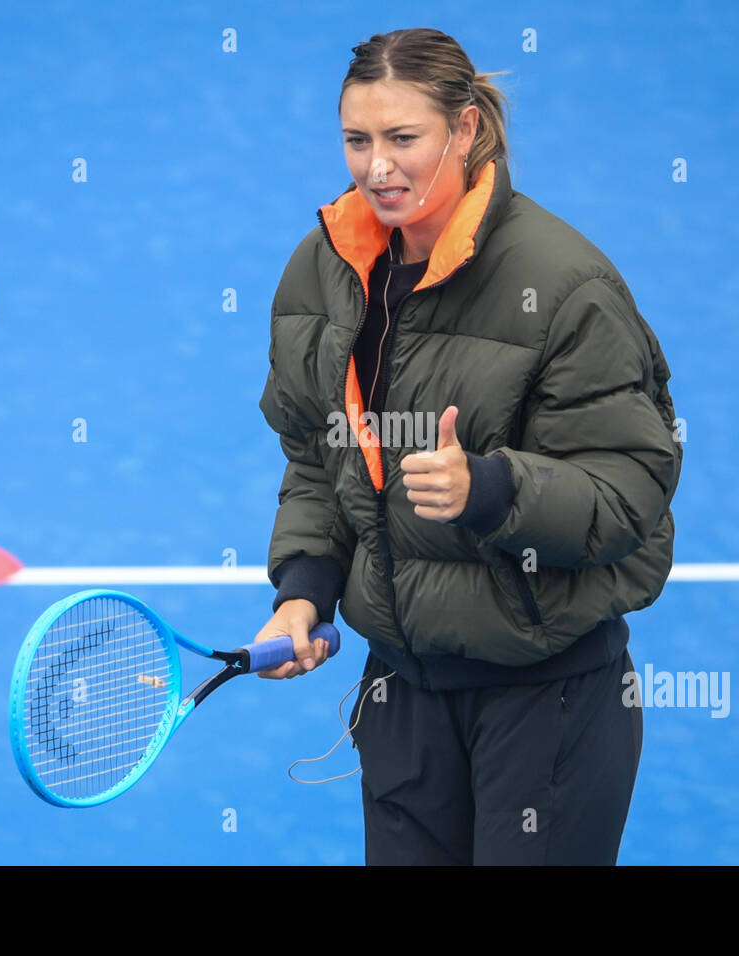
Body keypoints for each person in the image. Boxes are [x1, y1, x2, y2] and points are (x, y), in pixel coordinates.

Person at [253, 28, 682, 865]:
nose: (378, 167)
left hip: (546, 700)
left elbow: (631, 486)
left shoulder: (565, 286)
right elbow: (317, 451)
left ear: (466, 132)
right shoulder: (323, 269)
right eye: (357, 140)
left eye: (403, 139)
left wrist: (490, 489)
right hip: (402, 696)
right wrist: (305, 589)